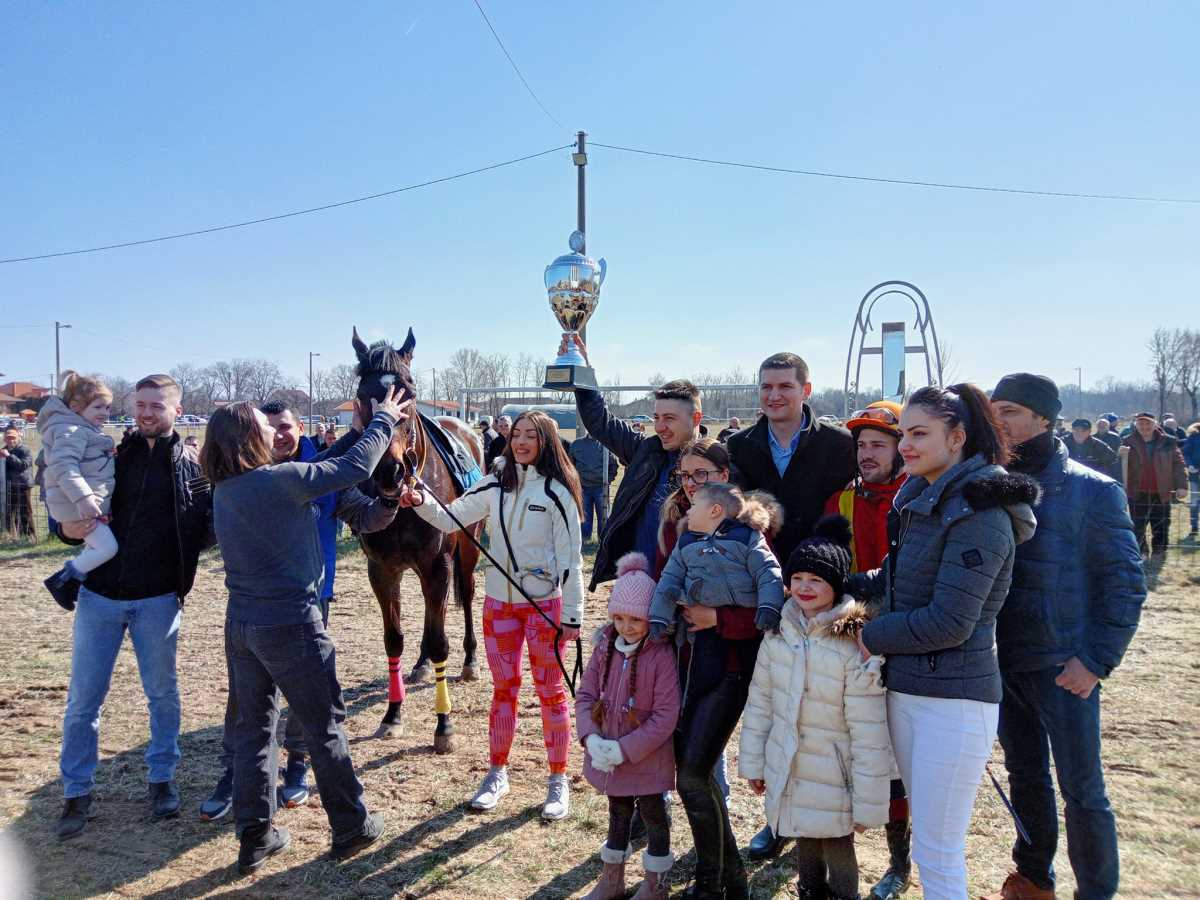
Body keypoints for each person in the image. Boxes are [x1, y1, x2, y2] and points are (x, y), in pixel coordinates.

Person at [202, 387, 406, 873]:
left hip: (243, 625)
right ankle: (352, 823)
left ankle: (255, 837)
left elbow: (330, 470)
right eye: (263, 425)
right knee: (324, 723)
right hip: (291, 623)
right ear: (248, 436)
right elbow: (352, 468)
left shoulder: (230, 486)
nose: (273, 431)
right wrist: (382, 421)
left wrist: (360, 439)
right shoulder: (278, 481)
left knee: (255, 729)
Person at [853, 384, 1038, 900]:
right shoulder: (924, 497)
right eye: (903, 433)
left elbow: (951, 620)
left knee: (937, 851)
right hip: (910, 688)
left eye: (918, 434)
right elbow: (899, 579)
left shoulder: (979, 512)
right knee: (929, 845)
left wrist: (870, 634)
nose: (904, 445)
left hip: (952, 702)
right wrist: (835, 584)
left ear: (956, 438)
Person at [985, 373, 1145, 900]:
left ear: (1044, 419)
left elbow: (1124, 584)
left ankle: (1095, 891)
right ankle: (1033, 879)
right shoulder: (988, 485)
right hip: (1005, 662)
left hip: (1064, 667)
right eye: (993, 409)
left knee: (1082, 789)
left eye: (1008, 410)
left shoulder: (1091, 491)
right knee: (1025, 777)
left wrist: (1096, 660)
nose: (998, 419)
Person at [399, 410, 584, 820]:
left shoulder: (558, 493)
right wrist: (420, 500)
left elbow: (571, 559)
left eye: (530, 436)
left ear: (546, 442)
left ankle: (557, 780)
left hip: (545, 608)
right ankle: (497, 774)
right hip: (499, 606)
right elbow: (452, 516)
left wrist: (573, 615)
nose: (520, 442)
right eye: (516, 434)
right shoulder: (496, 482)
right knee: (504, 691)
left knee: (551, 693)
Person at [54, 374, 213, 839]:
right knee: (84, 701)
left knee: (162, 695)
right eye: (140, 404)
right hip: (99, 598)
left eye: (156, 406)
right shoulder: (108, 456)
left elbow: (207, 530)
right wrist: (69, 531)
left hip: (159, 599)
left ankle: (161, 779)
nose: (145, 413)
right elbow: (67, 512)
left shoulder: (194, 469)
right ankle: (76, 791)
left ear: (176, 412)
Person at [727, 352, 855, 860]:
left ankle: (827, 822)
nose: (773, 395)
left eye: (784, 386)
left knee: (825, 714)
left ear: (806, 389)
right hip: (764, 592)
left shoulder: (838, 445)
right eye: (765, 387)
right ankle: (778, 821)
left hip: (823, 593)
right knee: (780, 708)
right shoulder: (741, 446)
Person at [740, 517, 891, 900]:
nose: (805, 587)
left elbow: (868, 728)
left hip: (835, 773)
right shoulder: (776, 636)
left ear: (835, 586)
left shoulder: (851, 645)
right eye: (799, 578)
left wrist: (868, 798)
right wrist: (756, 764)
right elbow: (760, 704)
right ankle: (809, 891)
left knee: (837, 846)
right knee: (802, 834)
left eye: (817, 580)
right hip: (790, 765)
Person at [823, 401, 912, 900]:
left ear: (902, 448)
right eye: (861, 445)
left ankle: (899, 861)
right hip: (849, 646)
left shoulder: (917, 498)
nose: (867, 453)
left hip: (903, 644)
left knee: (895, 759)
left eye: (879, 443)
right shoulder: (841, 502)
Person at [576, 553, 681, 900]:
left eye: (635, 618)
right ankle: (612, 879)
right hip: (607, 752)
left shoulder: (661, 655)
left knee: (653, 814)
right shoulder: (605, 647)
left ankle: (656, 884)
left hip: (646, 758)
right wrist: (591, 738)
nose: (626, 626)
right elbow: (586, 694)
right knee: (617, 811)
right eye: (618, 617)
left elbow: (666, 714)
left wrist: (625, 749)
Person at [649, 482, 785, 643]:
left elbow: (767, 571)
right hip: (700, 623)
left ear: (715, 510)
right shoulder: (686, 542)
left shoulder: (747, 537)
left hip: (745, 621)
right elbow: (670, 577)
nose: (689, 512)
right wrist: (659, 617)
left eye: (694, 506)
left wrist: (769, 606)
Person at [38, 374, 119, 610]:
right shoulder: (71, 429)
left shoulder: (81, 428)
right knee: (107, 548)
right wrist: (83, 497)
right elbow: (64, 466)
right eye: (98, 407)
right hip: (75, 504)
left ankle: (75, 581)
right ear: (75, 407)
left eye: (107, 407)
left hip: (79, 503)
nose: (104, 412)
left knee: (97, 547)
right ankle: (63, 580)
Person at [1121, 412, 1188, 557]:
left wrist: (1182, 485)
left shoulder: (1168, 441)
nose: (1144, 427)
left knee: (1162, 524)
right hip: (1137, 492)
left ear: (1155, 424)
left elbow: (1178, 464)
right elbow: (1120, 465)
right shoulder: (1127, 441)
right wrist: (1120, 454)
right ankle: (1141, 552)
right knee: (1137, 525)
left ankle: (1159, 552)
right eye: (1141, 424)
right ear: (1136, 425)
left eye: (1148, 423)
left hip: (1161, 492)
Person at [569, 430, 619, 542]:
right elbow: (570, 465)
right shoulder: (576, 444)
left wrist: (608, 480)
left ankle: (603, 540)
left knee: (603, 516)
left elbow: (613, 465)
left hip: (601, 488)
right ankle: (585, 539)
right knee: (585, 516)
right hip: (582, 488)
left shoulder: (605, 445)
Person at [1, 425, 36, 538]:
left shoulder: (24, 450)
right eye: (8, 438)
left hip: (23, 486)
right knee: (9, 513)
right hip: (8, 486)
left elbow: (23, 465)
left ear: (18, 437)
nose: (11, 440)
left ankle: (29, 537)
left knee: (25, 512)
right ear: (4, 439)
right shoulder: (4, 449)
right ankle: (12, 536)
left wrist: (9, 456)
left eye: (13, 438)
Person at [1184, 422, 1200, 543]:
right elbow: (1186, 453)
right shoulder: (1193, 436)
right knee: (1195, 500)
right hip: (1195, 474)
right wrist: (1189, 465)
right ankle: (1194, 526)